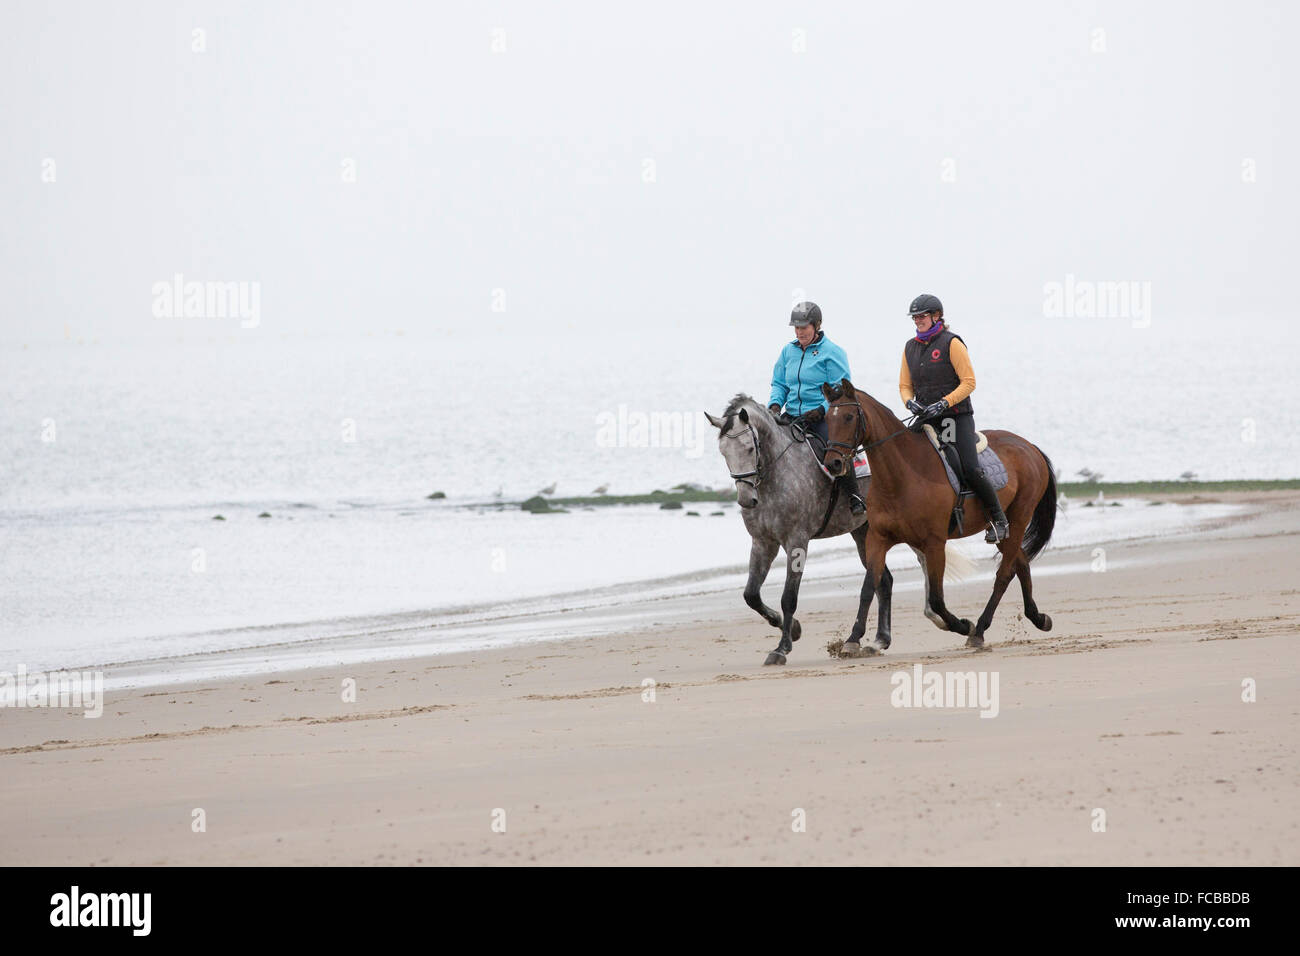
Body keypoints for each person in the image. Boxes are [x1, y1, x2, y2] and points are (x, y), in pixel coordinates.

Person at [898, 293, 1009, 543]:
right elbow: (904, 385)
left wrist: (944, 403)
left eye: (922, 316)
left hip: (953, 418)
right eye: (915, 317)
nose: (918, 320)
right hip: (927, 417)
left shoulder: (952, 343)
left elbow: (969, 382)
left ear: (937, 316)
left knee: (967, 465)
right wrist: (909, 402)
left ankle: (998, 518)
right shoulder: (910, 347)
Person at [768, 301, 864, 515]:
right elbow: (780, 383)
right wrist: (775, 405)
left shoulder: (832, 352)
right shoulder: (788, 352)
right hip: (792, 415)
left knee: (835, 454)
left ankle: (855, 496)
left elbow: (840, 389)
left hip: (822, 417)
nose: (799, 332)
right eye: (797, 328)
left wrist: (821, 410)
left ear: (816, 325)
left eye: (804, 327)